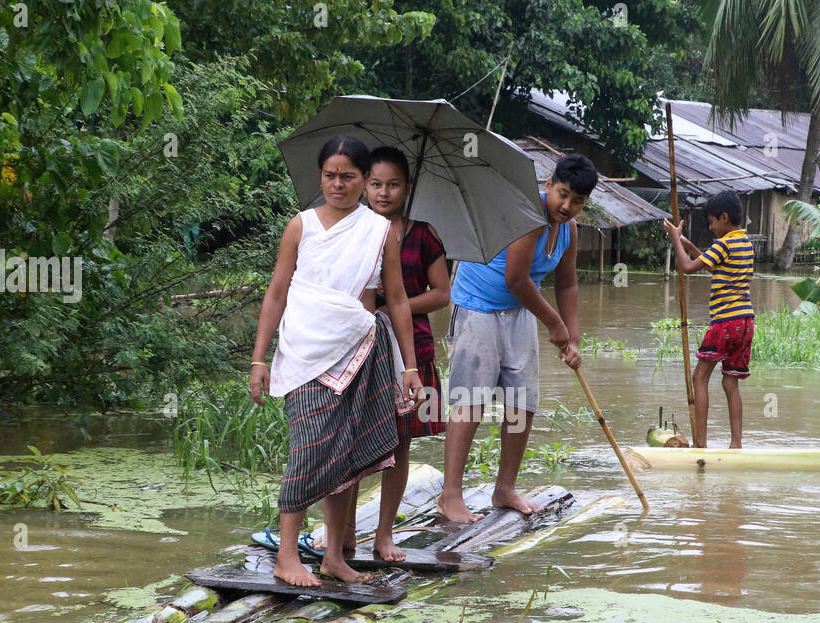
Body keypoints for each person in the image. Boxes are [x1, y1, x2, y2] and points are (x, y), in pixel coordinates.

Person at [249, 136, 423, 587]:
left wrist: (410, 366)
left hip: (360, 350)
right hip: (303, 352)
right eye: (330, 175)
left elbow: (399, 300)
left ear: (365, 181)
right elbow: (277, 292)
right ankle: (287, 556)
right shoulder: (300, 226)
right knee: (307, 449)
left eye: (348, 176)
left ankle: (332, 556)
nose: (338, 184)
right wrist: (258, 359)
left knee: (346, 452)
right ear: (320, 176)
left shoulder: (380, 231)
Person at [436, 153, 596, 523]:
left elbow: (568, 284)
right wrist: (554, 324)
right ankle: (450, 496)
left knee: (522, 402)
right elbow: (516, 279)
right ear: (549, 185)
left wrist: (572, 337)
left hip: (519, 311)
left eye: (577, 202)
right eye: (562, 194)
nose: (567, 206)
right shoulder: (528, 216)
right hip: (478, 305)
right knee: (471, 400)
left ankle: (504, 488)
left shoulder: (569, 230)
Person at [357, 145, 450, 561]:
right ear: (363, 186)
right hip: (359, 354)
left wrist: (394, 307)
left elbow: (442, 294)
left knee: (399, 444)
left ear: (406, 188)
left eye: (393, 184)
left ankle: (384, 535)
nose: (383, 193)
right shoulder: (351, 233)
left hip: (413, 352)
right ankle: (338, 535)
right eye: (375, 184)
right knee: (353, 442)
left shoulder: (423, 235)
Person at [662, 190, 754, 448]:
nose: (712, 228)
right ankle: (736, 444)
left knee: (699, 378)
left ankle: (700, 444)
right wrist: (682, 241)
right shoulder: (744, 242)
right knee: (730, 381)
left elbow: (690, 267)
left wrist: (675, 242)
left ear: (724, 218)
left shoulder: (724, 244)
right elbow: (708, 260)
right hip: (746, 322)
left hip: (725, 322)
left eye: (712, 222)